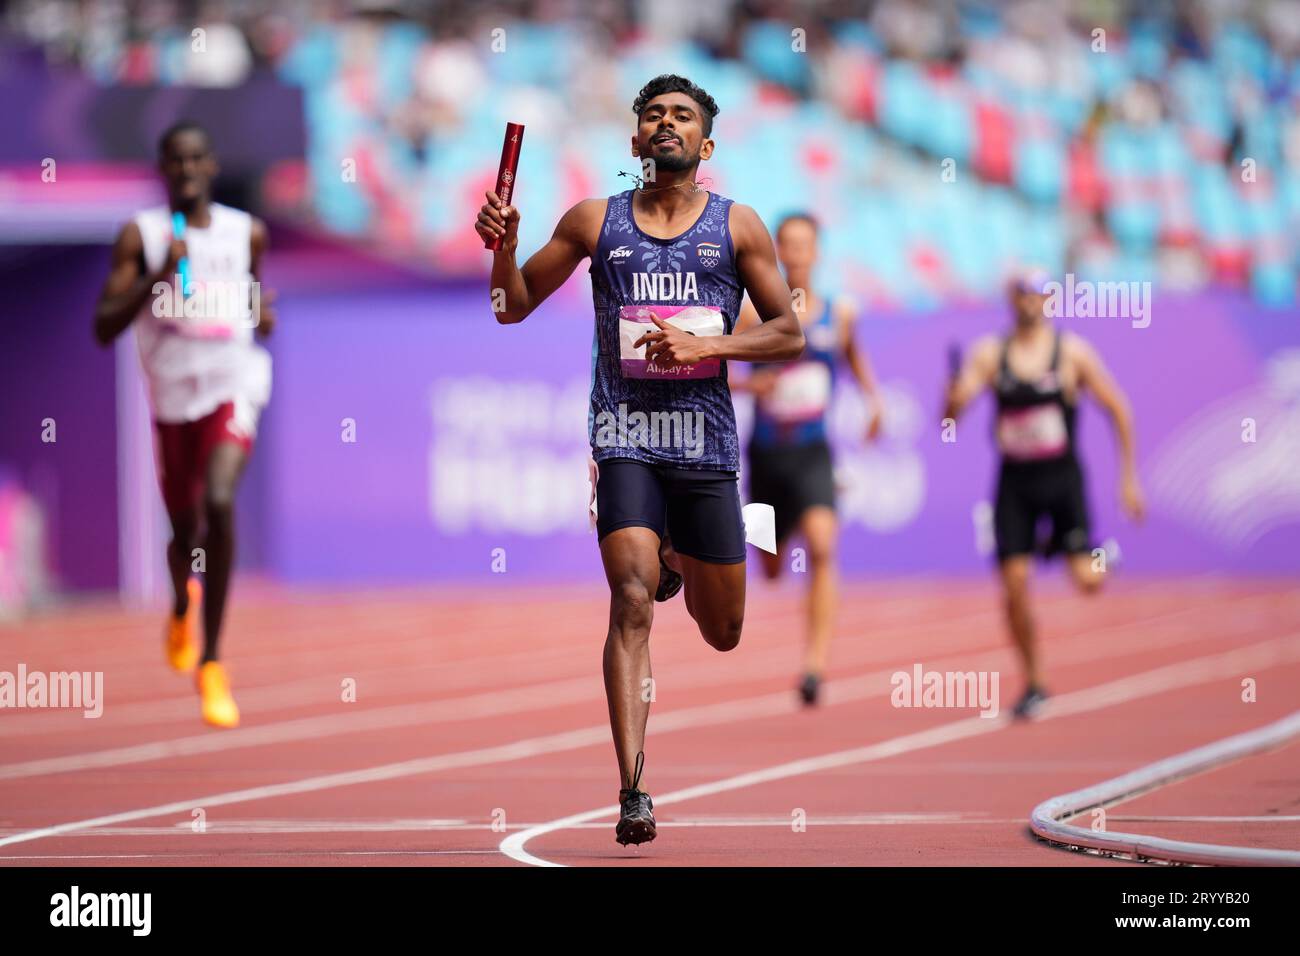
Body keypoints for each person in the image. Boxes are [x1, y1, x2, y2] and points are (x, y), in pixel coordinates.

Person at [475, 74, 804, 845]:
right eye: (653, 114)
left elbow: (789, 334)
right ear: (634, 141)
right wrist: (506, 247)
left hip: (706, 447)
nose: (667, 124)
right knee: (629, 596)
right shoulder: (596, 221)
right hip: (623, 440)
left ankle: (680, 561)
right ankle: (633, 790)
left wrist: (711, 341)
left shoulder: (738, 227)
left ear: (706, 144)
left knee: (723, 630)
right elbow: (508, 306)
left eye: (683, 116)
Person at [93, 120, 274, 729]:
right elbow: (102, 326)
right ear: (162, 169)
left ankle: (214, 661)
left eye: (197, 158)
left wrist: (262, 315)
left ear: (212, 165)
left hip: (231, 383)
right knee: (184, 531)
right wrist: (155, 278)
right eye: (175, 160)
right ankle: (179, 602)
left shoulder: (245, 232)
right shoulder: (141, 236)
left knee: (219, 502)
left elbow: (253, 300)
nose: (187, 169)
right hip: (172, 397)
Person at [943, 268, 1144, 719]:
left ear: (1049, 300)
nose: (1029, 302)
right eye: (1022, 295)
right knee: (1013, 585)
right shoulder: (991, 354)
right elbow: (953, 414)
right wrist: (952, 398)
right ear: (1011, 300)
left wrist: (1128, 478)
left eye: (1038, 295)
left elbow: (1119, 409)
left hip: (1062, 480)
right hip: (1015, 483)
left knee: (1088, 583)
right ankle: (1035, 681)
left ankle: (1099, 555)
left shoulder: (1072, 353)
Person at [733, 212, 885, 706]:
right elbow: (712, 361)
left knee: (823, 548)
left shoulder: (839, 313)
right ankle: (787, 522)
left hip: (815, 454)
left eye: (804, 245)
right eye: (788, 245)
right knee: (771, 570)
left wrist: (873, 399)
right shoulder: (754, 315)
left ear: (817, 252)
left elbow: (854, 355)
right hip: (766, 458)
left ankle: (815, 667)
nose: (796, 254)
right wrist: (748, 384)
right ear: (777, 251)